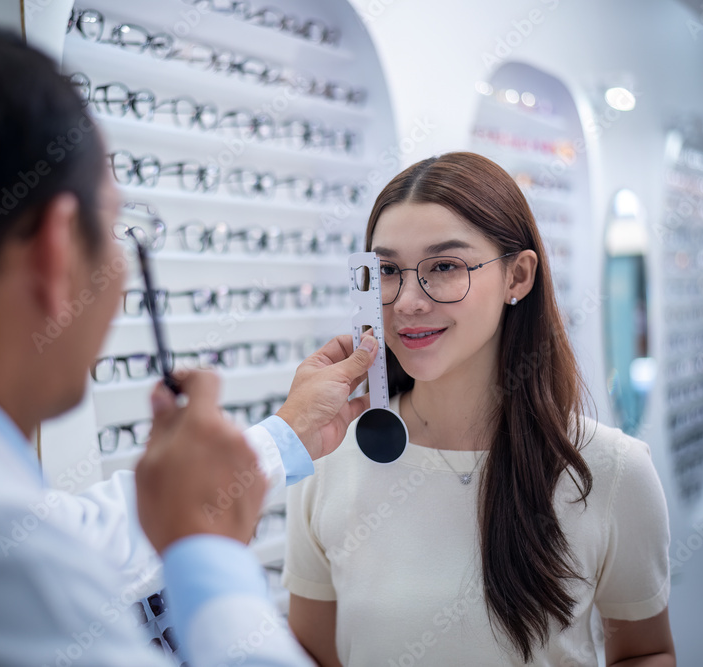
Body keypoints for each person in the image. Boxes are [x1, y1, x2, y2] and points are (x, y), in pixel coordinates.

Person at [0, 18, 378, 667]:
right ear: (56, 249)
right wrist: (209, 552)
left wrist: (281, 439)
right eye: (117, 229)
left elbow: (68, 535)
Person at [283, 153, 676, 666]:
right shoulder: (329, 455)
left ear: (518, 276)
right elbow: (311, 653)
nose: (406, 302)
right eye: (387, 271)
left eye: (444, 267)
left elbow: (645, 653)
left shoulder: (611, 469)